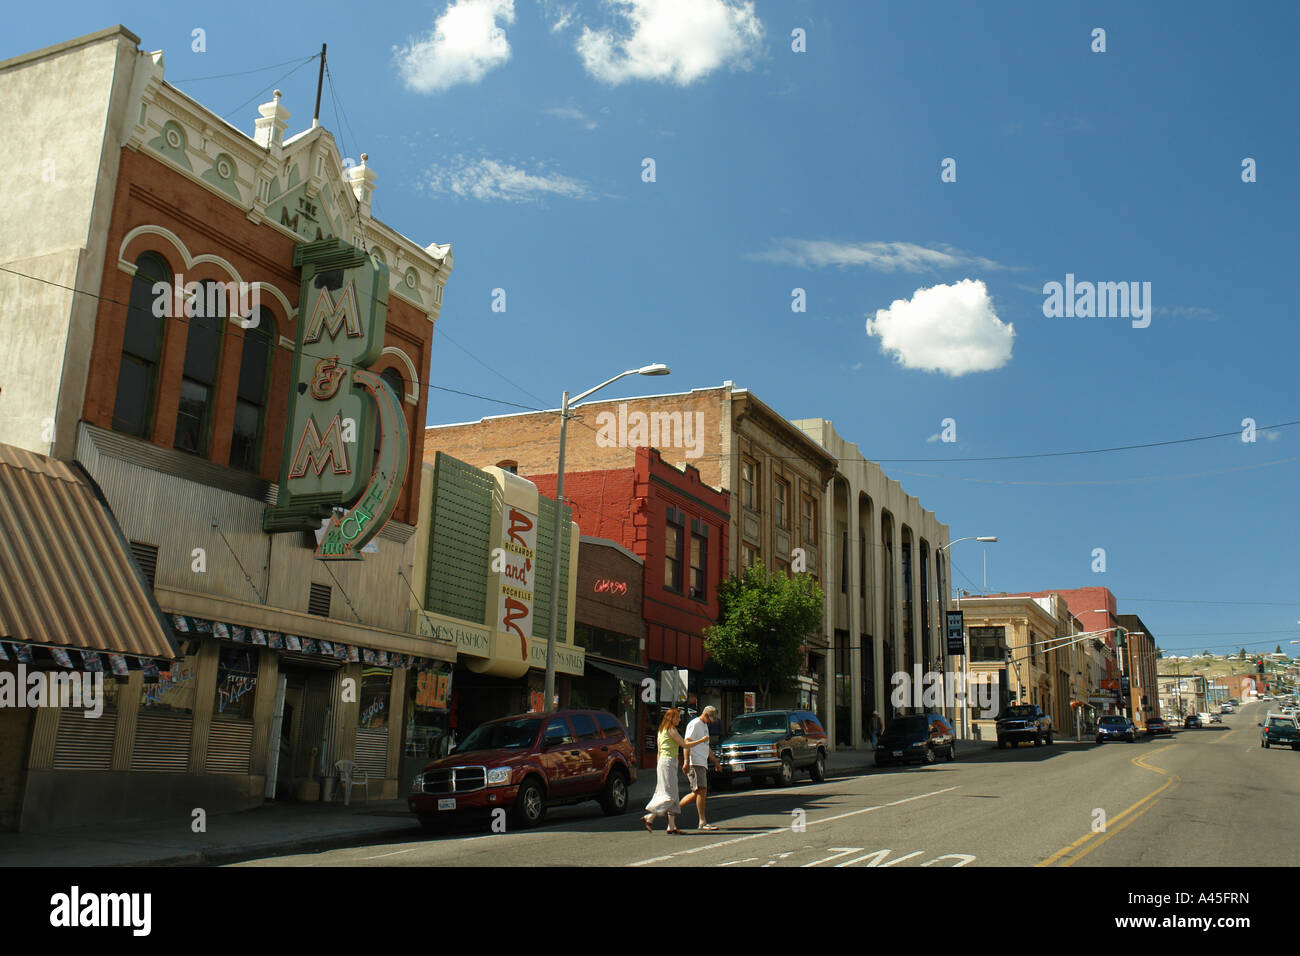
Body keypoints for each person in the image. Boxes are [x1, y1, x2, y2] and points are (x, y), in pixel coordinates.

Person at [643, 707, 709, 834]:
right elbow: (684, 744)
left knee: (672, 793)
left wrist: (658, 766)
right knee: (669, 795)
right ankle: (650, 816)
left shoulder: (661, 730)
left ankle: (671, 826)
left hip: (664, 762)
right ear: (671, 718)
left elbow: (659, 751)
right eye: (678, 717)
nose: (679, 719)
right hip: (668, 762)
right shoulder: (671, 730)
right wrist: (702, 740)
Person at [678, 705, 721, 830]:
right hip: (695, 762)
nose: (711, 722)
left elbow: (706, 747)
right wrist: (686, 761)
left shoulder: (704, 726)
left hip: (702, 762)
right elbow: (686, 743)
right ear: (706, 715)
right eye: (710, 718)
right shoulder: (695, 724)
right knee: (701, 791)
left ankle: (674, 809)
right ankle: (702, 821)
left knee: (698, 792)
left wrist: (716, 762)